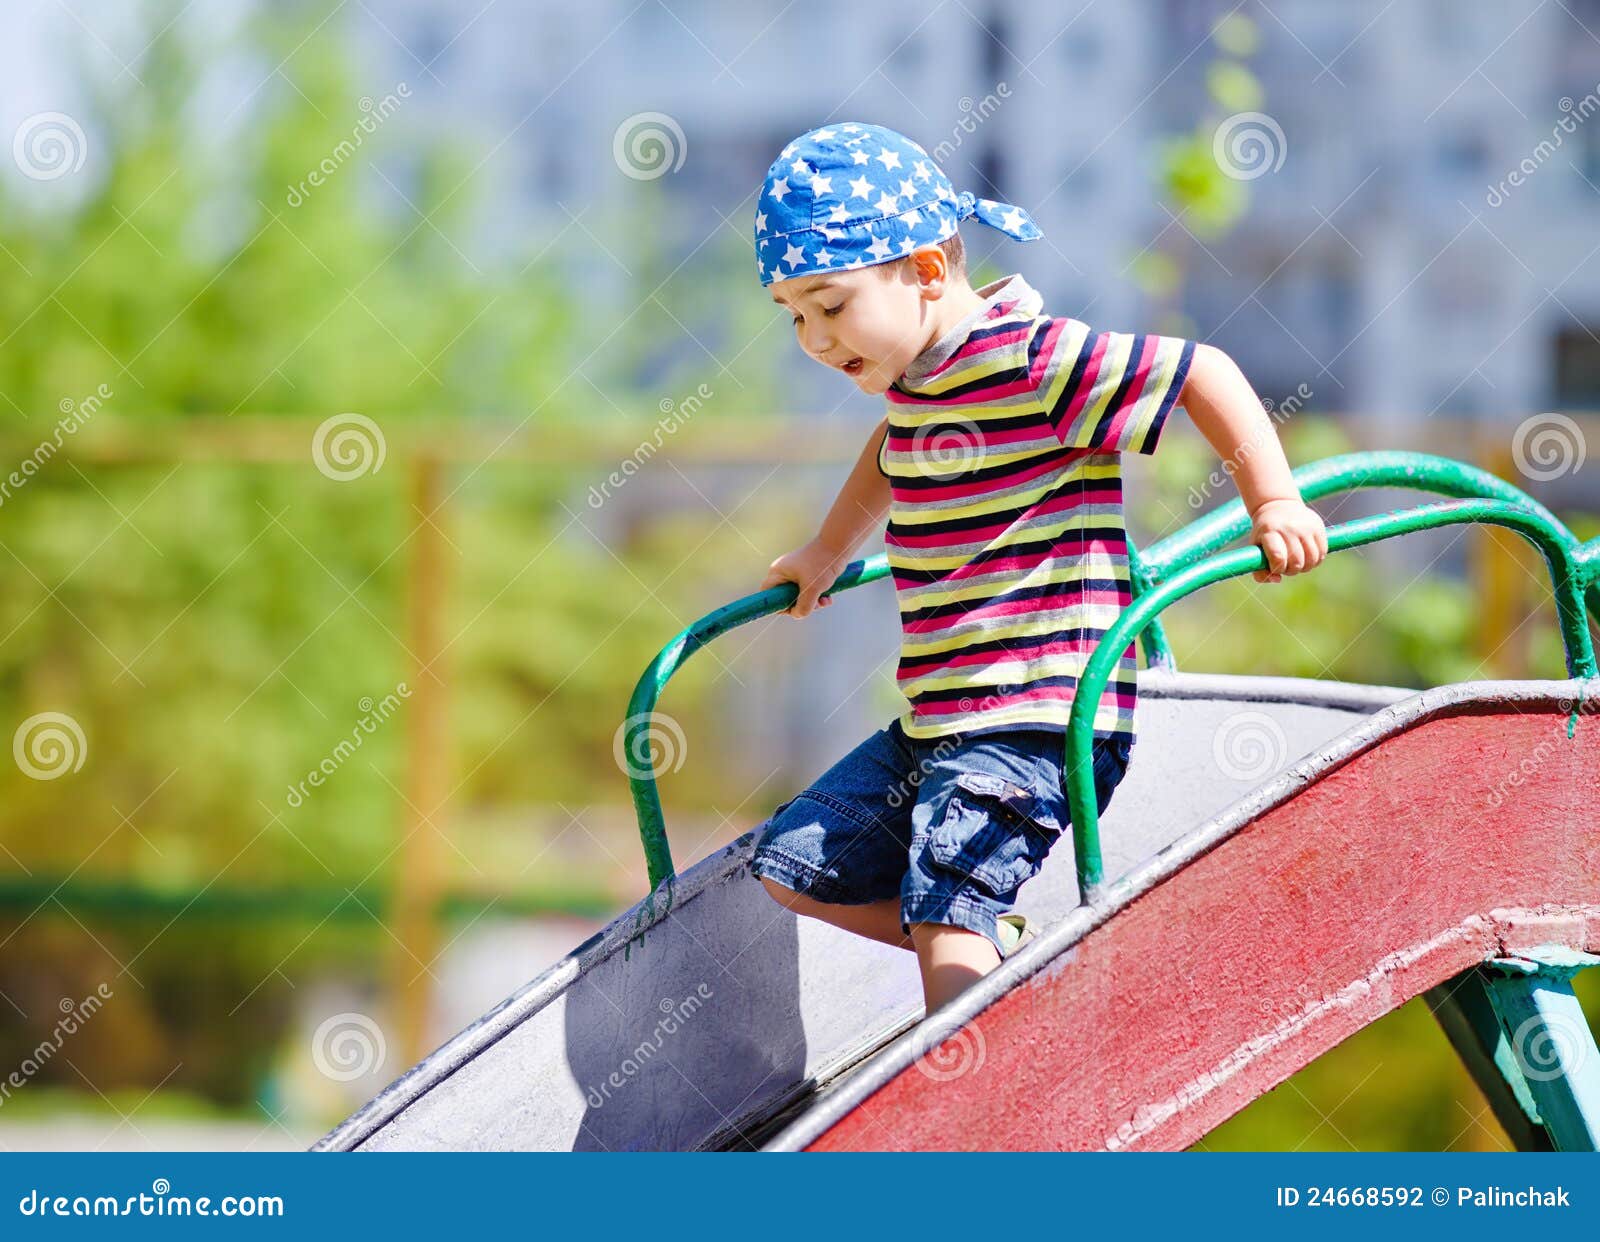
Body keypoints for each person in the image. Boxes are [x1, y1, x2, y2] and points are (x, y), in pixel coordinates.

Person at [747, 122, 1327, 1014]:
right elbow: (891, 451)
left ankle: (968, 1104)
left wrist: (1274, 501)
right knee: (792, 865)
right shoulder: (919, 385)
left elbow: (1201, 371)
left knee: (948, 920)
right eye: (793, 316)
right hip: (945, 717)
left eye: (829, 305)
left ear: (930, 272)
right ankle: (1000, 947)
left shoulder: (1034, 358)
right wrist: (830, 549)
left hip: (1041, 709)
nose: (814, 338)